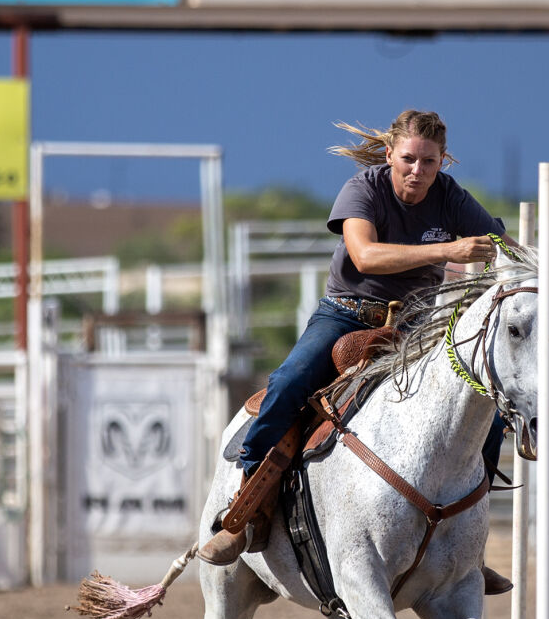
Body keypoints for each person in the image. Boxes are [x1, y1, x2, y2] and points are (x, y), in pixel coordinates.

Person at [198, 109, 515, 569]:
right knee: (289, 382)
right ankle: (246, 508)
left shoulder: (450, 197)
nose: (418, 170)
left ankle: (463, 538)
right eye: (408, 158)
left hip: (417, 325)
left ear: (443, 161)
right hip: (346, 314)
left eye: (429, 162)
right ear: (389, 155)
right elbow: (364, 256)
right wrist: (449, 249)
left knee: (482, 400)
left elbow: (510, 249)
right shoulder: (362, 188)